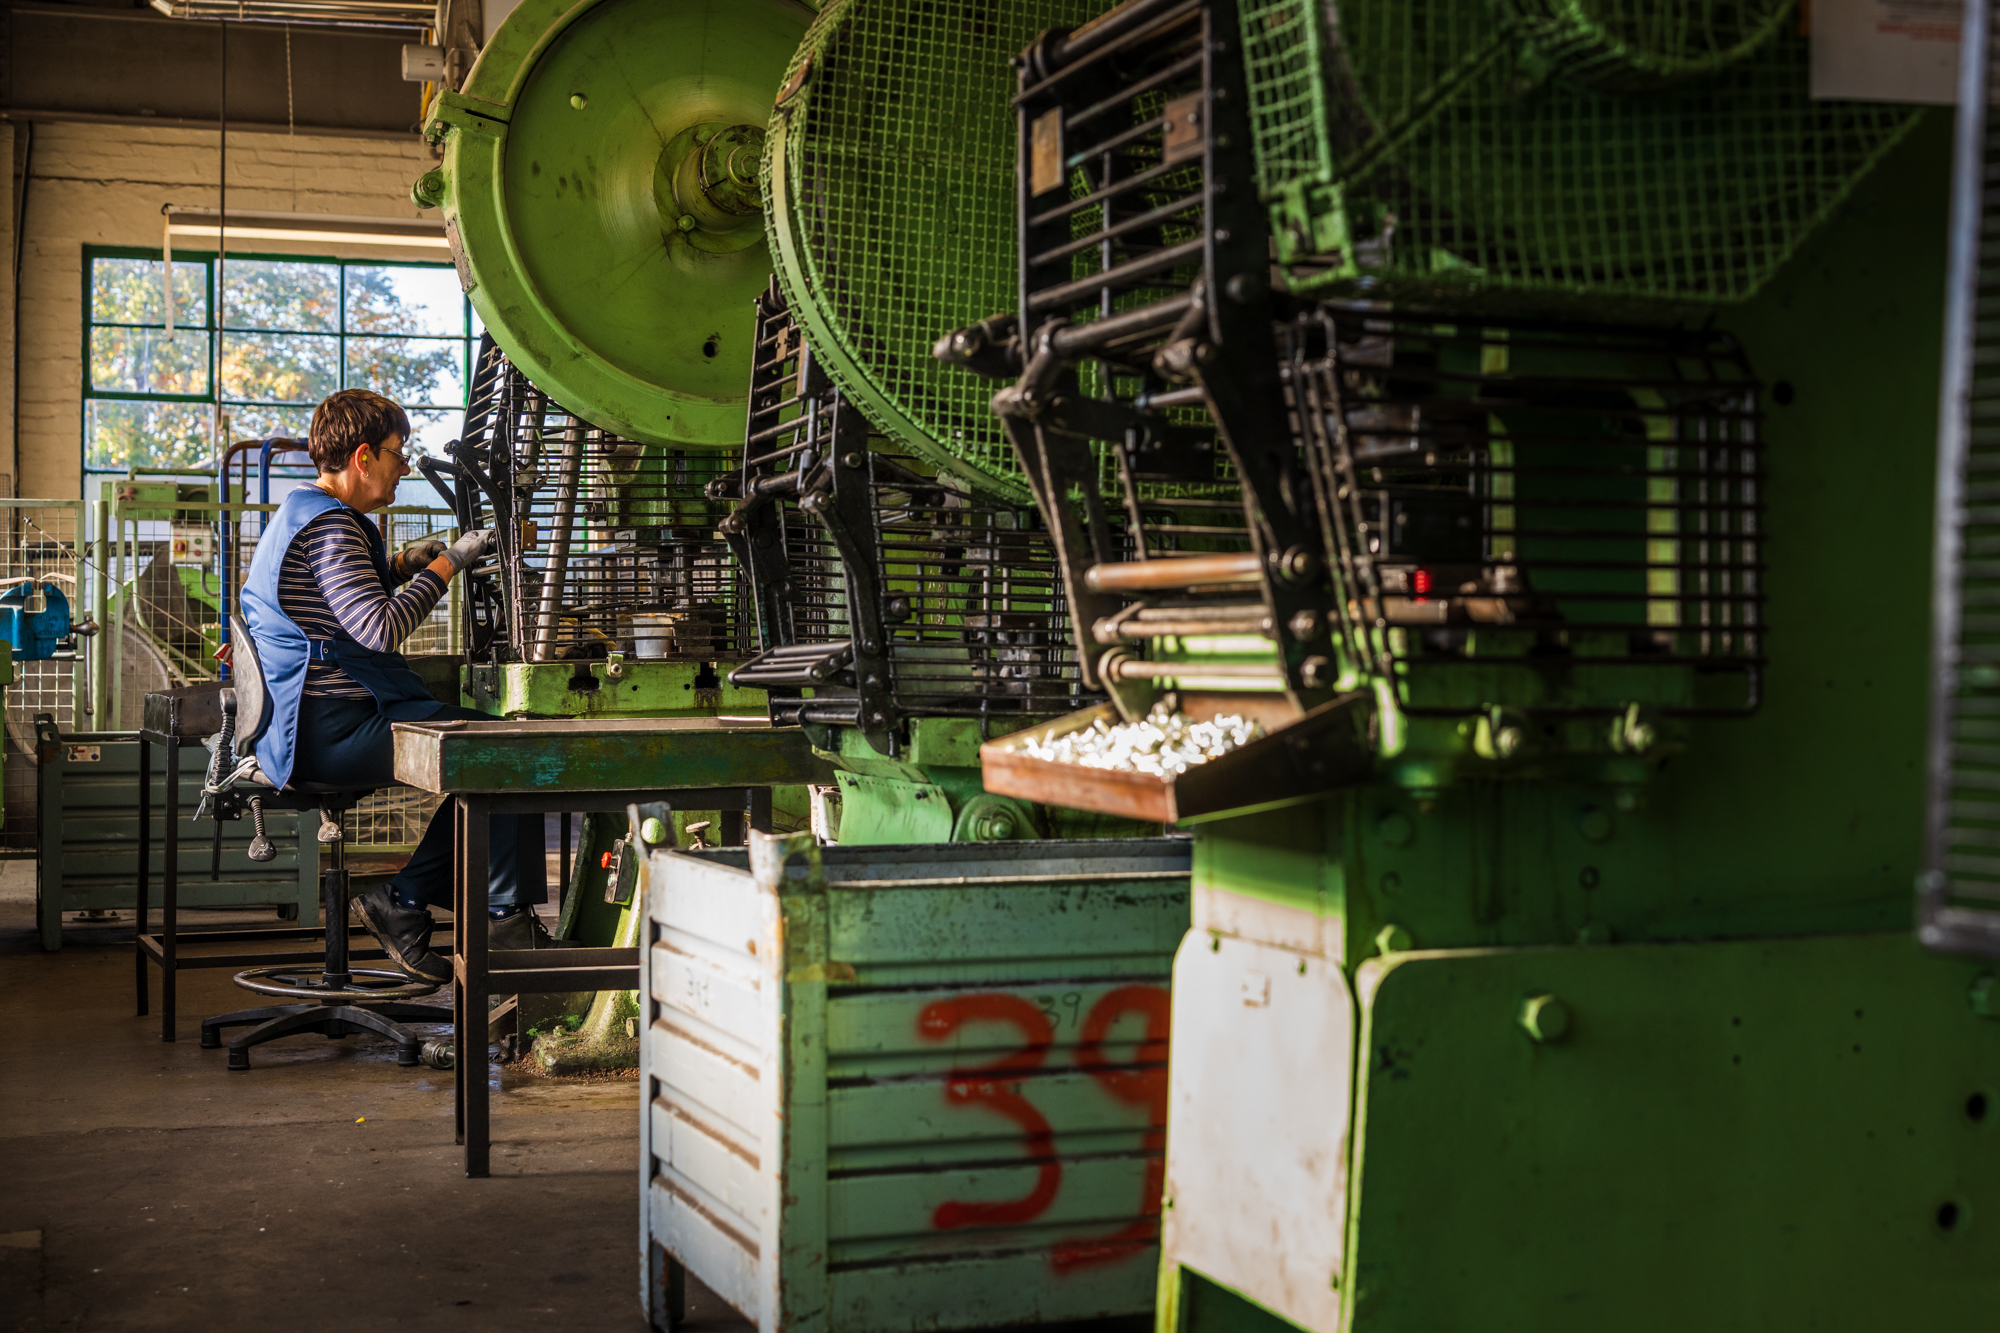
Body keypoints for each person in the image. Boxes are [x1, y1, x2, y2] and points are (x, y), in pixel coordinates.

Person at [239, 388, 546, 982]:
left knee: (488, 753)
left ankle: (406, 904)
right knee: (508, 752)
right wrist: (451, 563)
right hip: (328, 731)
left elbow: (335, 599)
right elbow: (378, 629)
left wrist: (404, 565)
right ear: (363, 457)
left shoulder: (301, 512)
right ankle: (491, 920)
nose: (404, 468)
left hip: (297, 726)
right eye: (397, 454)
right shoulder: (334, 527)